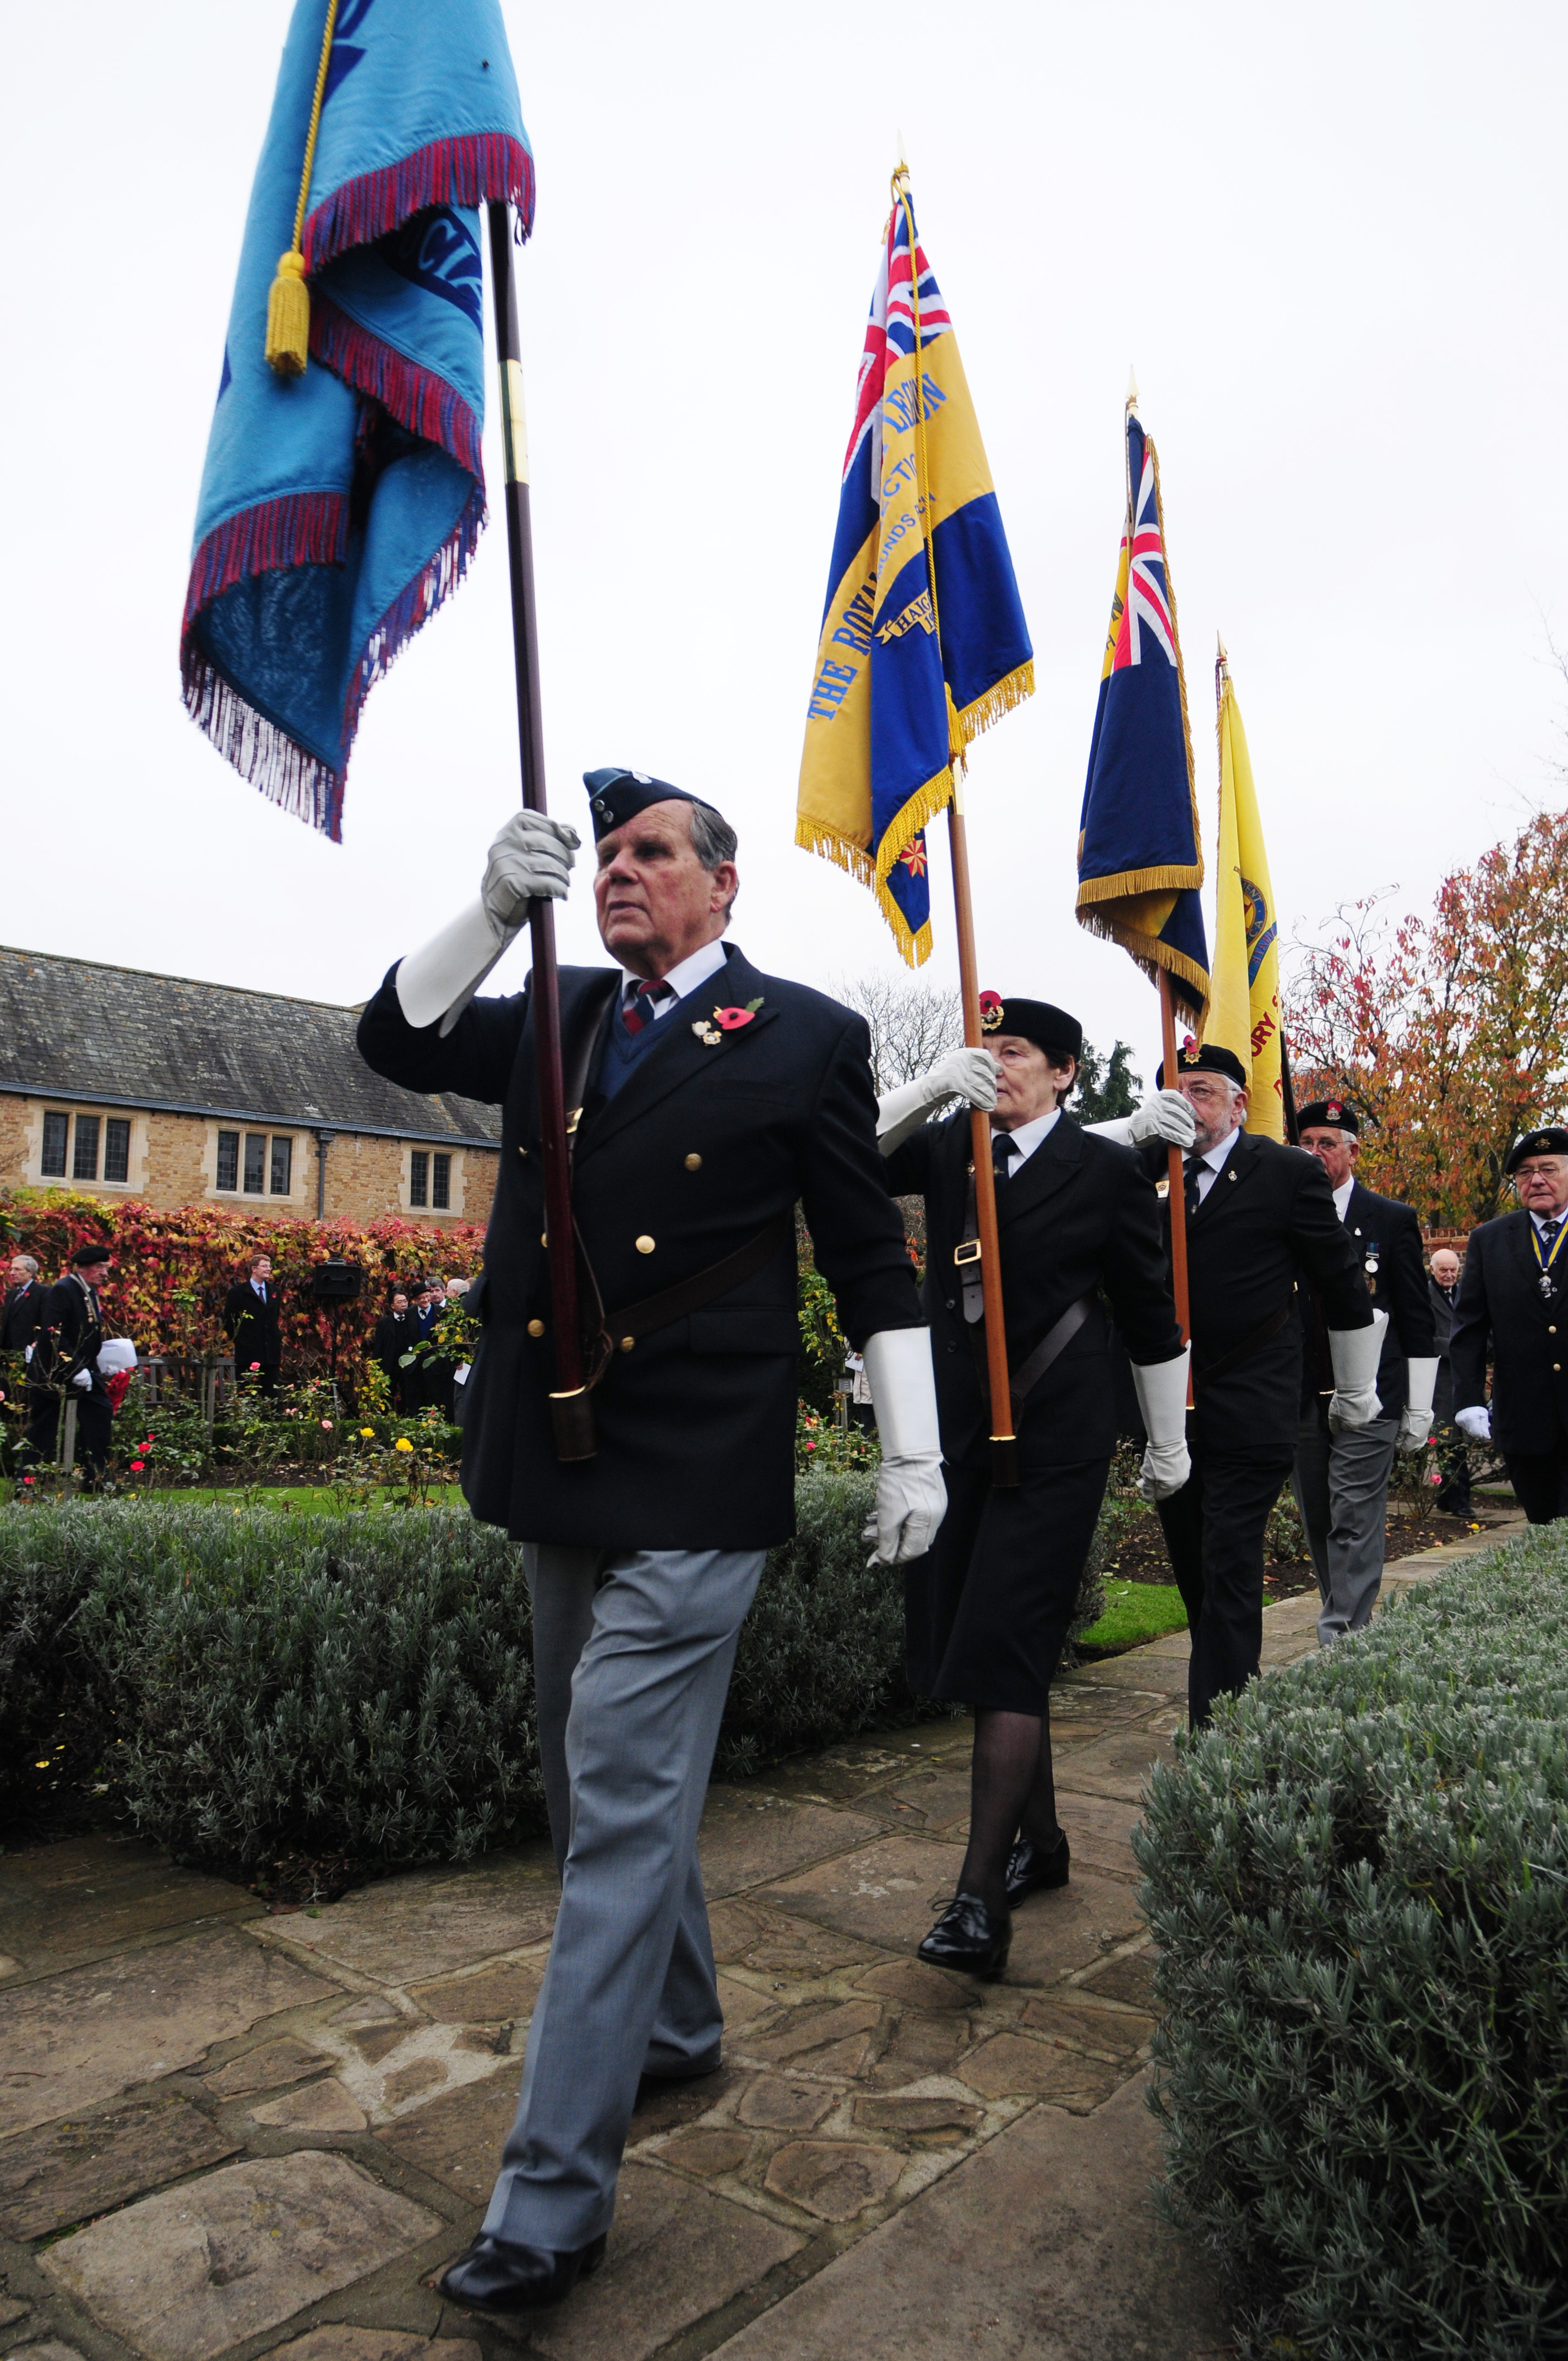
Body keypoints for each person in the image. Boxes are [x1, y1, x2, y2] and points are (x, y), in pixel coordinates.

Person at [356, 767, 939, 2312]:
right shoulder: (553, 1009)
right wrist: (492, 909)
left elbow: (871, 1259)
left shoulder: (806, 1033)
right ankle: (675, 2026)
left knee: (614, 1802)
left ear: (722, 885)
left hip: (696, 1466)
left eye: (651, 852)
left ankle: (550, 2200)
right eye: (603, 854)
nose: (618, 873)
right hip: (561, 1452)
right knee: (586, 1784)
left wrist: (914, 1448)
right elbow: (393, 1040)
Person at [874, 995, 1191, 1978]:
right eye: (987, 1049)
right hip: (954, 1442)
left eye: (1014, 1052)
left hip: (1056, 1443)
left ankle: (978, 1900)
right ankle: (1042, 1843)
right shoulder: (948, 1148)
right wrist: (930, 1085)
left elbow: (1149, 1317)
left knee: (1005, 1645)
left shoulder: (1104, 1170)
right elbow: (838, 1149)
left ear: (1064, 1071)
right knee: (972, 1646)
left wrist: (1167, 1442)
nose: (995, 1063)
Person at [1139, 1042, 1379, 1724]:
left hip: (1254, 1401)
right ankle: (1217, 1706)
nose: (1189, 1102)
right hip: (1173, 1409)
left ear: (1241, 1103)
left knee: (1228, 1566)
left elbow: (1338, 1277)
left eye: (1204, 1089)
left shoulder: (1283, 1172)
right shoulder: (1147, 1174)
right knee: (1195, 1575)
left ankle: (1220, 1731)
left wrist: (1356, 1384)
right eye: (1175, 1091)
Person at [1291, 1101, 1439, 1645]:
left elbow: (1416, 1317)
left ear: (1353, 1150)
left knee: (1352, 1513)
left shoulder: (1390, 1219)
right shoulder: (1284, 1216)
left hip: (1372, 1393)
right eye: (1304, 1142)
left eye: (1326, 1142)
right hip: (1305, 1391)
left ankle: (1341, 1635)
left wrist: (1419, 1405)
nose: (1313, 1152)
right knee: (1319, 1517)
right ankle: (1350, 1625)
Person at [1450, 1125, 1568, 1525]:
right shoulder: (1490, 1239)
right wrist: (1468, 1398)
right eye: (1525, 1173)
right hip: (1525, 1422)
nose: (1536, 1180)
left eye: (1549, 1169)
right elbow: (1469, 1327)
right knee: (1545, 1530)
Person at [26, 1243, 116, 1479]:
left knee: (100, 1415)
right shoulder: (64, 1289)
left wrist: (102, 1359)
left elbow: (86, 1332)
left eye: (106, 1268)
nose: (105, 1274)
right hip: (54, 1371)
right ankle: (28, 1483)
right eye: (100, 1268)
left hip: (86, 1368)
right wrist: (75, 1368)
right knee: (43, 1428)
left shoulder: (89, 1290)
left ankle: (96, 1477)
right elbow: (52, 1332)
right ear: (84, 1268)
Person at [1427, 1245, 1471, 1517]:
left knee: (1457, 1443)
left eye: (1453, 1269)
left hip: (1464, 1379)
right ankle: (1460, 1502)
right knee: (1449, 1444)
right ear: (1432, 1269)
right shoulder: (1424, 1296)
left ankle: (1447, 1500)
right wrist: (1456, 1347)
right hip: (1438, 1381)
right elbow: (1421, 1338)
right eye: (1443, 1270)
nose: (1449, 1275)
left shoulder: (1465, 1293)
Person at [223, 1253, 282, 1393]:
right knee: (249, 1395)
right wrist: (242, 1340)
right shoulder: (238, 1293)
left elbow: (274, 1318)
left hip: (271, 1356)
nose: (268, 1269)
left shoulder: (275, 1291)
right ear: (254, 1269)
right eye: (264, 1266)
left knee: (272, 1395)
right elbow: (230, 1321)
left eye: (269, 1266)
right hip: (248, 1354)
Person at [371, 1289, 416, 1407]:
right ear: (392, 1306)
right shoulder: (384, 1323)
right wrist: (376, 1366)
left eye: (405, 1301)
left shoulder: (412, 1320)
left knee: (409, 1396)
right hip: (390, 1365)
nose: (404, 1305)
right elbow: (379, 1346)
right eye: (400, 1302)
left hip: (408, 1365)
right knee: (386, 1397)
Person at [2, 1254, 46, 1354]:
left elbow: (47, 1322)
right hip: (8, 1353)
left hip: (30, 1352)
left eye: (17, 1270)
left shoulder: (43, 1293)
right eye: (11, 1269)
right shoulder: (11, 1294)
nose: (12, 1273)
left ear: (30, 1273)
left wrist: (38, 1342)